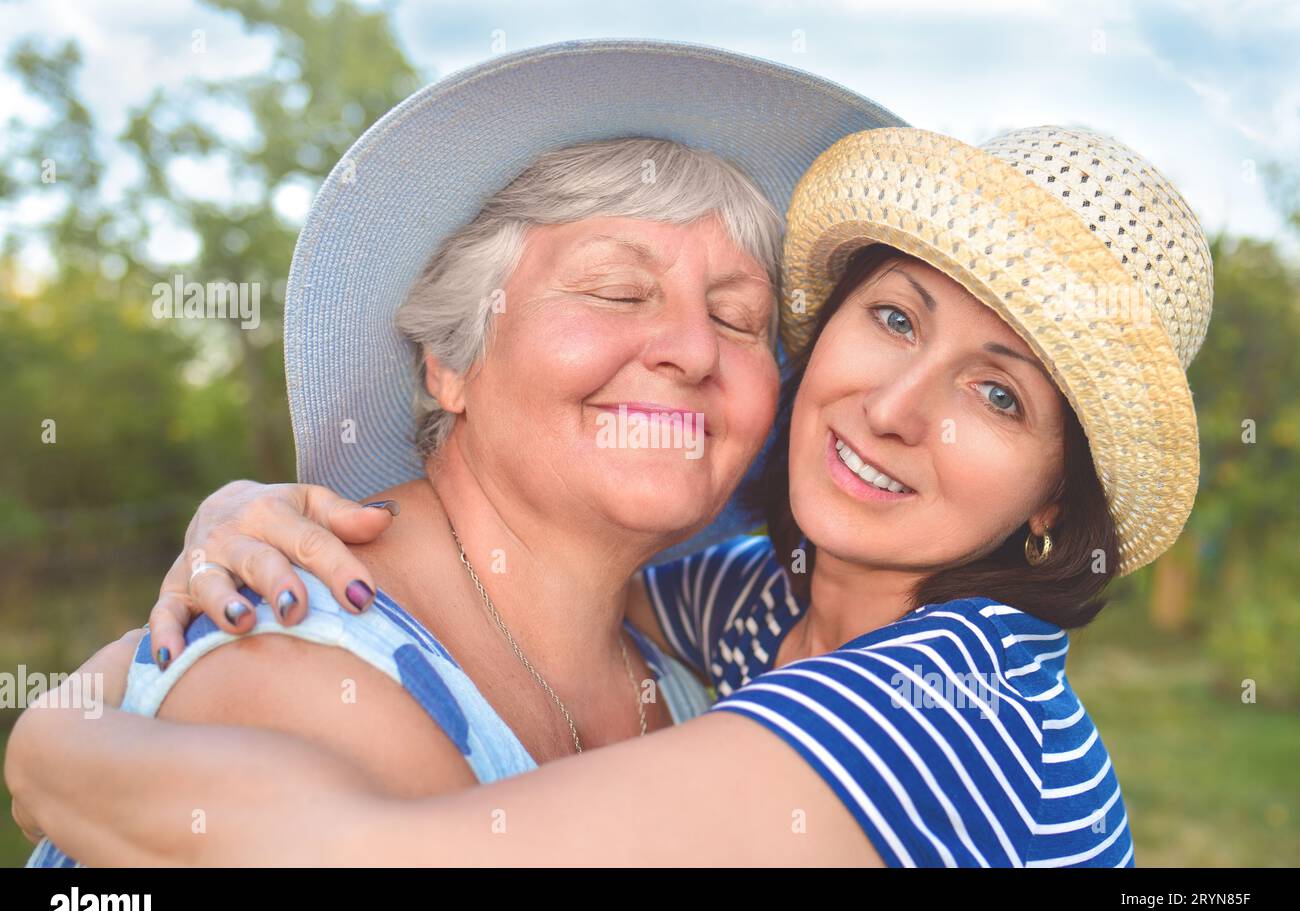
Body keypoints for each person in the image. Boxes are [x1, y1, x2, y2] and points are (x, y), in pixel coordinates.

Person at [8, 123, 1213, 867]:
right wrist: (221, 533)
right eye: (893, 317)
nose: (897, 407)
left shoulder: (944, 713)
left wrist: (51, 738)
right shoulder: (737, 607)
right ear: (447, 358)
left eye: (1000, 397)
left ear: (1056, 502)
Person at [7, 39, 905, 867]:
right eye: (618, 290)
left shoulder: (717, 660)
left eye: (735, 316)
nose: (693, 349)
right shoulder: (291, 661)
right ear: (449, 362)